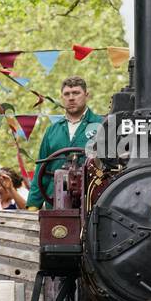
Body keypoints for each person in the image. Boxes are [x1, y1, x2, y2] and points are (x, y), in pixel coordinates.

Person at [26, 76, 103, 209]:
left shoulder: (101, 125)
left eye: (76, 93)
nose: (71, 98)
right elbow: (41, 171)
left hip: (92, 204)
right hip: (55, 204)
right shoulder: (52, 131)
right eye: (67, 94)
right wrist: (33, 205)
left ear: (86, 95)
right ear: (62, 97)